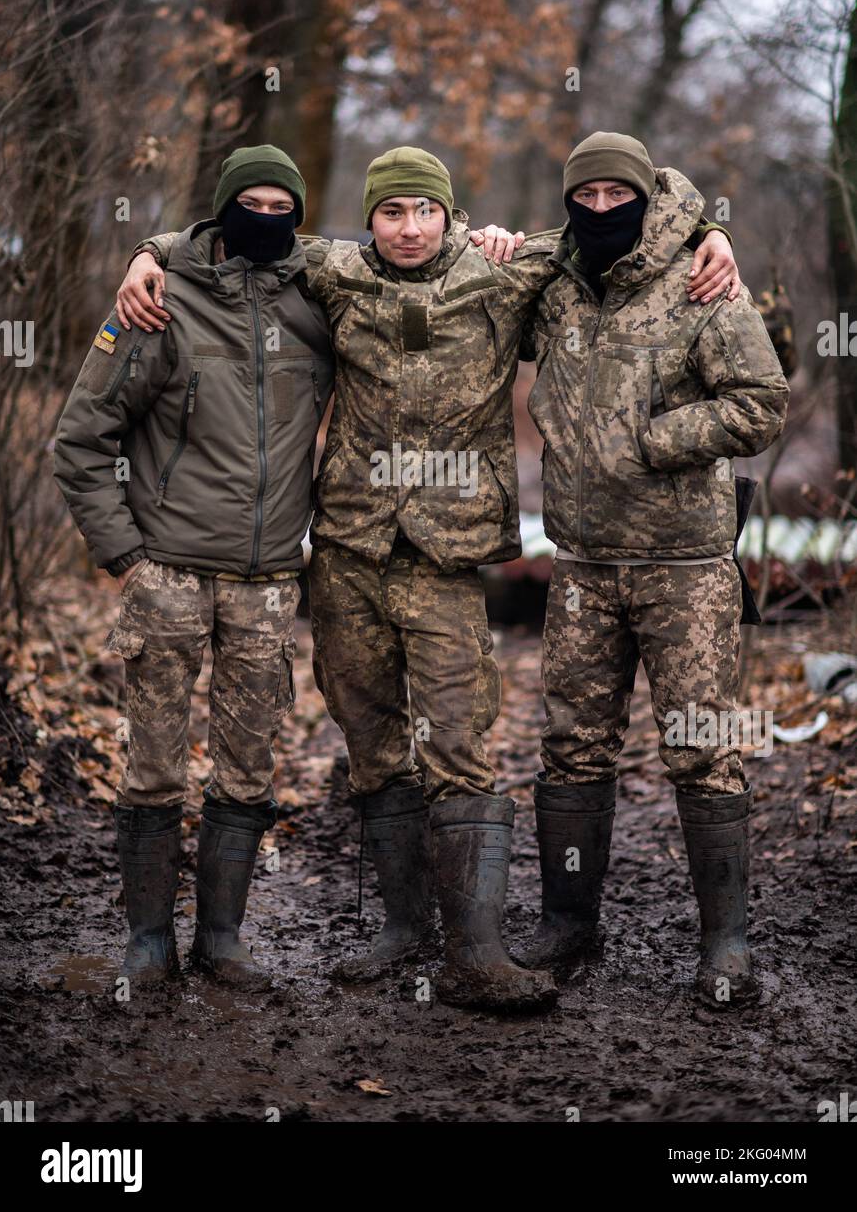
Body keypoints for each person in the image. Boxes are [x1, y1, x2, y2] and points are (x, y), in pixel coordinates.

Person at [118, 145, 740, 1010]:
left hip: (445, 557)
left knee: (458, 741)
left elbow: (619, 233)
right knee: (371, 745)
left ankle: (475, 951)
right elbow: (238, 238)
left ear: (450, 215)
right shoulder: (333, 273)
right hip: (349, 550)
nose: (409, 228)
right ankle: (402, 929)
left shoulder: (508, 270)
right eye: (391, 212)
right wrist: (147, 250)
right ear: (368, 221)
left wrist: (709, 231)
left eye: (425, 211)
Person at [517, 132, 790, 1004]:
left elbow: (761, 402)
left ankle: (728, 946)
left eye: (616, 195)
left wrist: (657, 440)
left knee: (702, 750)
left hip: (683, 565)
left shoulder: (702, 280)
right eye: (585, 196)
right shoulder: (555, 287)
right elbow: (447, 258)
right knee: (571, 747)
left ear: (642, 197)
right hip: (584, 562)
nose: (601, 210)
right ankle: (568, 927)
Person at [54, 146, 334, 991]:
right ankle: (147, 941)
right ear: (221, 210)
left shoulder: (318, 301)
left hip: (266, 581)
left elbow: (409, 254)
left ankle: (223, 938)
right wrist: (126, 555)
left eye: (282, 206)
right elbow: (79, 439)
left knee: (250, 764)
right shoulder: (157, 305)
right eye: (249, 203)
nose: (267, 219)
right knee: (153, 764)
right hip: (167, 572)